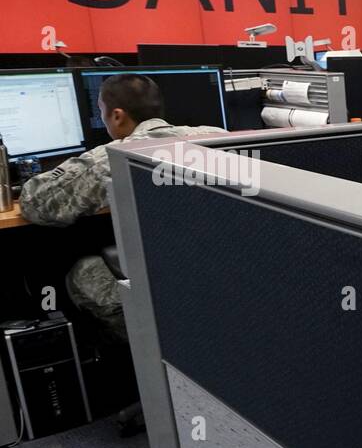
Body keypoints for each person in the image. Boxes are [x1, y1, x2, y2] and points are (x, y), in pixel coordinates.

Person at [20, 74, 226, 339]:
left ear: (117, 115)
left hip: (169, 294)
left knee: (83, 271)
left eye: (102, 112)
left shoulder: (111, 158)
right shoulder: (220, 138)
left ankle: (146, 347)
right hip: (223, 280)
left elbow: (36, 204)